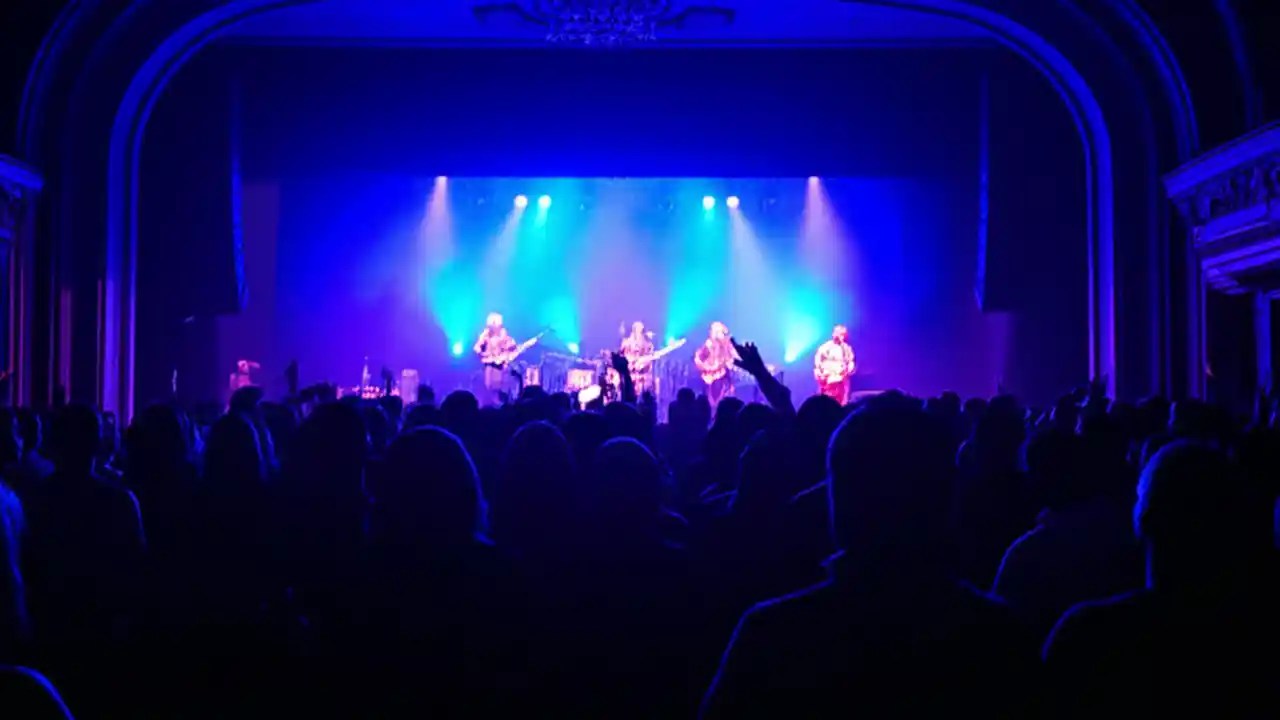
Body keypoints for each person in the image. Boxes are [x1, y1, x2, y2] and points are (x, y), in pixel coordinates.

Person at [473, 313, 517, 405]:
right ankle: (490, 402)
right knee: (489, 385)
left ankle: (500, 402)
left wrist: (508, 351)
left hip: (500, 364)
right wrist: (482, 353)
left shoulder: (504, 334)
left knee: (499, 385)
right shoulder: (485, 334)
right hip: (489, 363)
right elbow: (477, 347)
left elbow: (512, 346)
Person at [694, 322, 737, 408]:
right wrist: (706, 367)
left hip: (723, 376)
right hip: (711, 376)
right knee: (711, 397)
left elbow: (733, 357)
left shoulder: (727, 345)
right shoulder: (708, 344)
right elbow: (698, 358)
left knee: (723, 396)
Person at [812, 324, 855, 405]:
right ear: (834, 334)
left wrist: (849, 368)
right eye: (839, 333)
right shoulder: (825, 347)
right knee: (826, 403)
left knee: (842, 403)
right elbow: (817, 362)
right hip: (828, 381)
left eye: (843, 334)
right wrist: (820, 374)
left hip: (841, 381)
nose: (841, 336)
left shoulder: (846, 348)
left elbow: (851, 362)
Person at [620, 322, 657, 396]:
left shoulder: (648, 344)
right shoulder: (627, 342)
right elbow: (622, 356)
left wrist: (643, 363)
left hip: (643, 374)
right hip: (630, 373)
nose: (639, 332)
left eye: (641, 330)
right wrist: (632, 361)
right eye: (637, 329)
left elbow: (650, 357)